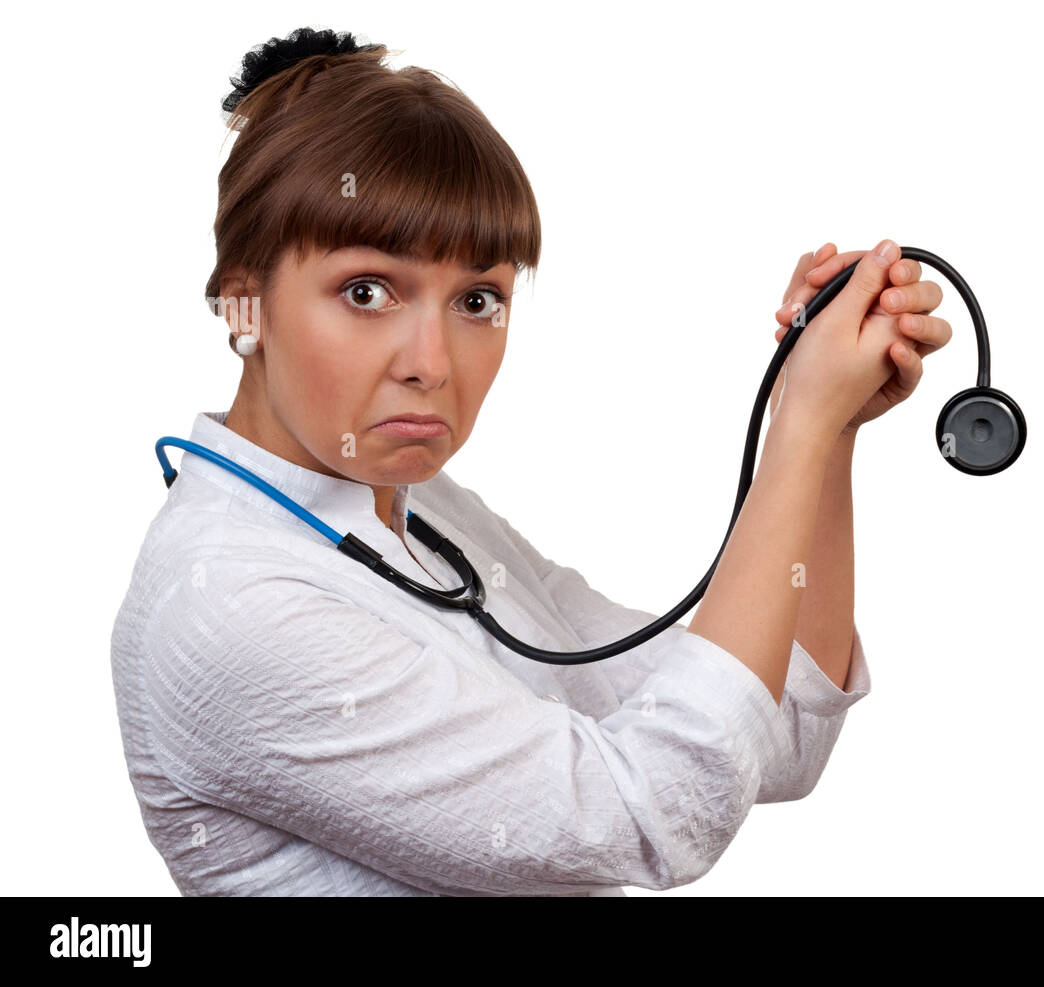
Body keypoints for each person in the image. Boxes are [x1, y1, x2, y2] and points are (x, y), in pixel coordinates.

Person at [109, 27, 952, 896]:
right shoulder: (228, 605)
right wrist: (800, 425)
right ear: (244, 306)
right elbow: (652, 812)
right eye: (367, 291)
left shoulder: (420, 507)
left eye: (478, 299)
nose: (431, 363)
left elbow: (774, 729)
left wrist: (829, 430)